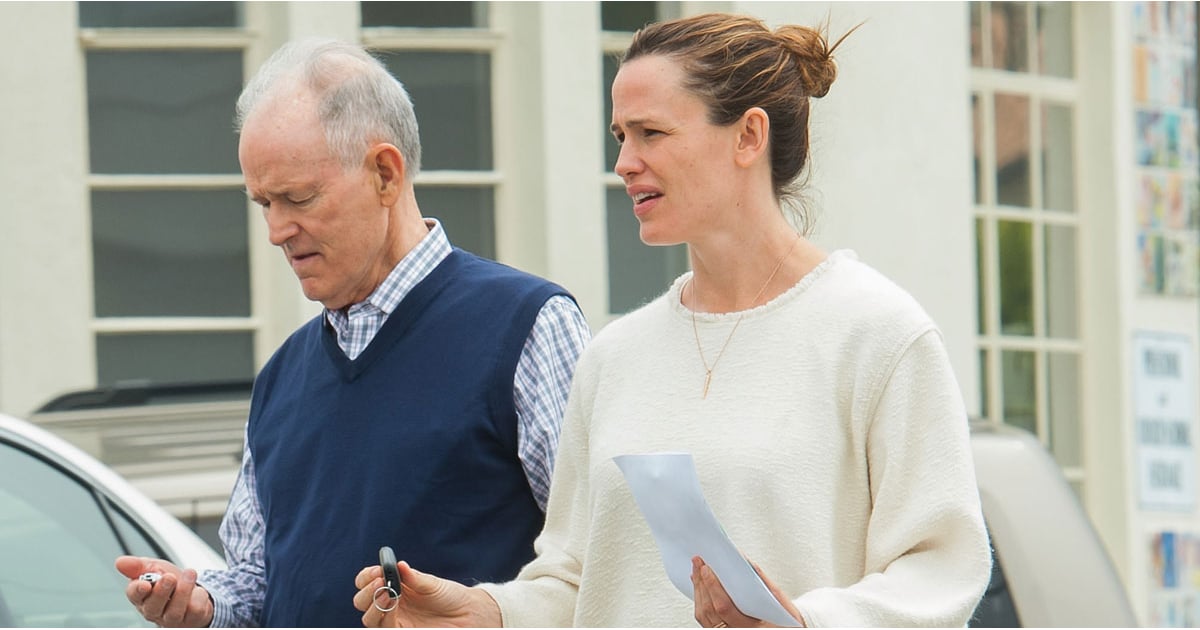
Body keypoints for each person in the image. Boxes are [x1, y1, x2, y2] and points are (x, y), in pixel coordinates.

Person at [352, 12, 992, 628]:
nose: (624, 162)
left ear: (748, 136)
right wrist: (489, 613)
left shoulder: (878, 335)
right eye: (620, 136)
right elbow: (575, 578)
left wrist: (806, 623)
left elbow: (943, 569)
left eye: (650, 133)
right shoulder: (615, 355)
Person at [113, 38, 591, 627]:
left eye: (298, 197)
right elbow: (259, 585)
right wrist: (205, 607)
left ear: (385, 174)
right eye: (263, 202)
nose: (276, 230)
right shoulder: (282, 377)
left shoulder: (526, 326)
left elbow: (604, 561)